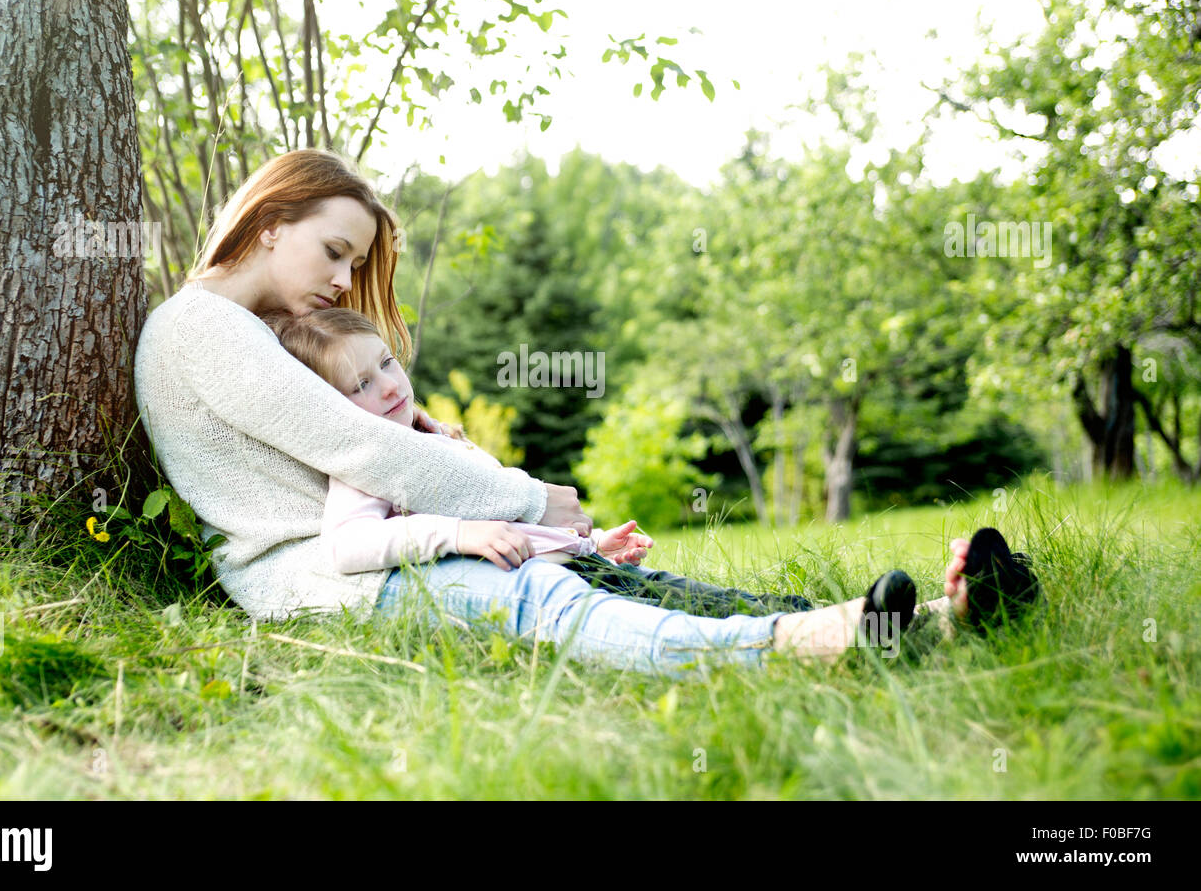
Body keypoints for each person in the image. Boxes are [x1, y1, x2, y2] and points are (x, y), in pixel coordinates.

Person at [132, 148, 1038, 677]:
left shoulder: (248, 332)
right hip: (320, 581)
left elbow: (372, 444)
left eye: (351, 259)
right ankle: (810, 641)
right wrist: (529, 500)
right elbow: (356, 446)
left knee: (630, 583)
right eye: (334, 251)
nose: (340, 279)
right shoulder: (200, 329)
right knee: (546, 595)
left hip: (396, 546)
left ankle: (925, 621)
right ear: (269, 223)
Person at [257, 304, 815, 620]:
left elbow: (520, 527)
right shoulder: (365, 464)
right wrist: (457, 533)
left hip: (578, 565)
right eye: (359, 384)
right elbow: (348, 547)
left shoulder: (431, 438)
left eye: (384, 363)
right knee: (681, 610)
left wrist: (593, 547)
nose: (386, 386)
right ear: (333, 410)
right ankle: (818, 628)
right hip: (548, 589)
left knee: (690, 593)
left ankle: (833, 616)